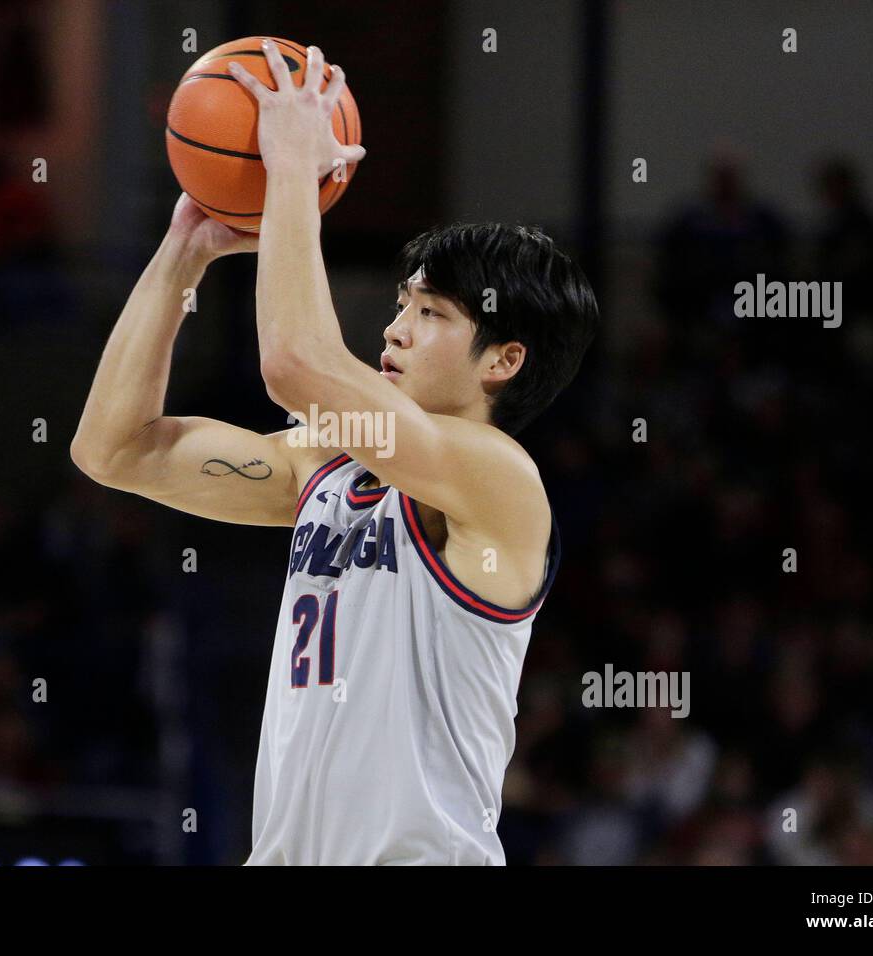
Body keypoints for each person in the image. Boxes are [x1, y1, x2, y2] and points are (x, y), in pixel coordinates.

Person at [72, 40, 598, 864]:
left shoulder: (497, 479)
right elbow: (116, 449)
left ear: (503, 359)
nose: (394, 327)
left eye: (431, 314)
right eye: (401, 304)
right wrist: (185, 250)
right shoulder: (324, 465)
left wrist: (289, 171)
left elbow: (292, 365)